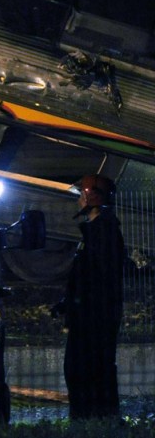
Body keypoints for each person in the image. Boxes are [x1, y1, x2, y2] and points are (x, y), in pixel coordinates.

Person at [50, 174, 125, 420]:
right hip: (90, 314)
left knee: (84, 370)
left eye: (81, 194)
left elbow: (97, 276)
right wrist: (67, 303)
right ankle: (96, 419)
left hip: (93, 318)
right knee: (88, 369)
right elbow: (89, 276)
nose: (79, 200)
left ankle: (91, 420)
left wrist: (77, 303)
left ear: (91, 196)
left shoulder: (101, 231)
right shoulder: (98, 230)